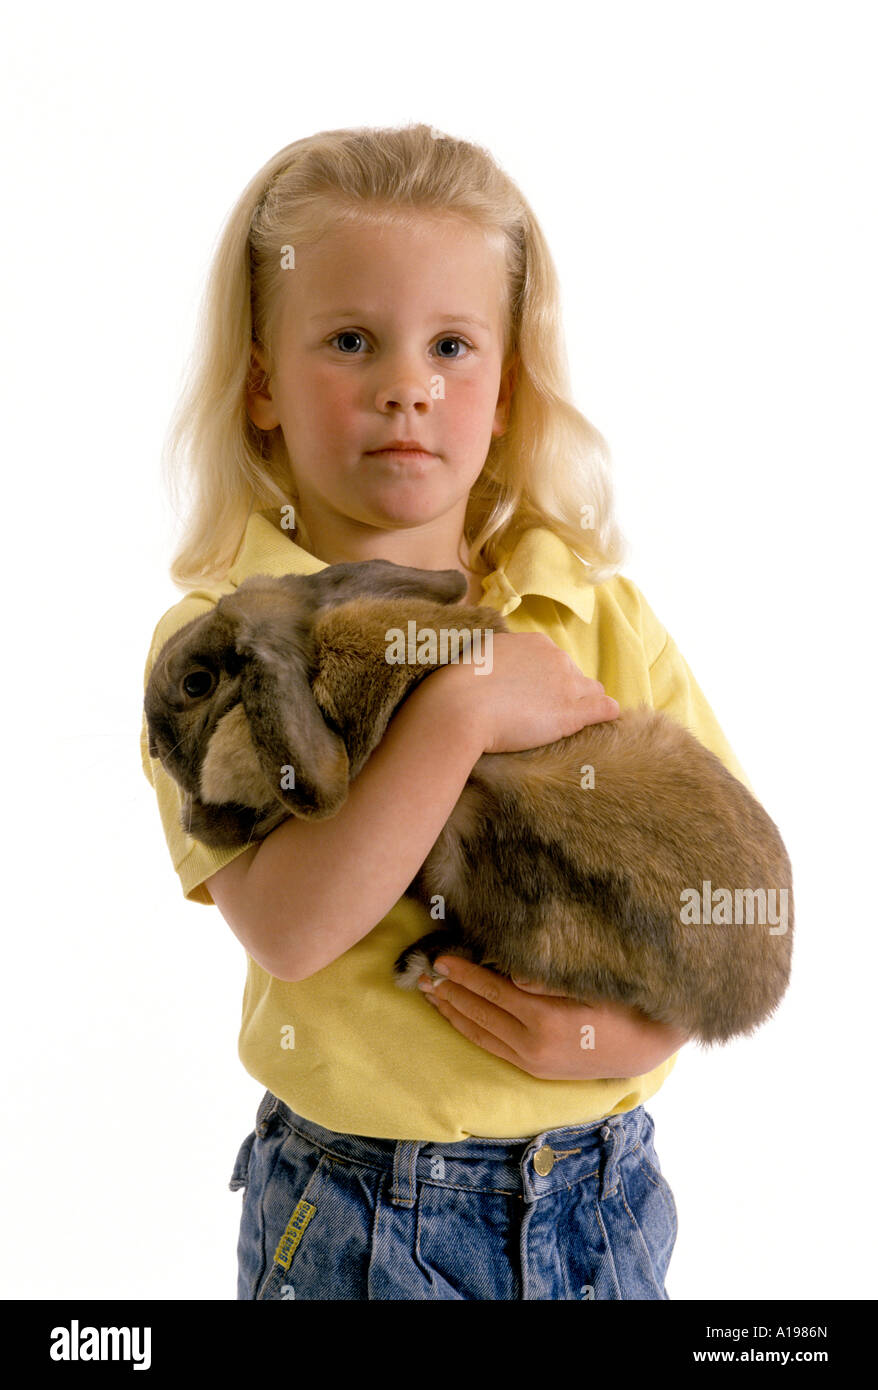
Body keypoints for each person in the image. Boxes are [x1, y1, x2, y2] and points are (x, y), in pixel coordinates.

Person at [140, 123, 753, 1300]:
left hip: (601, 1198)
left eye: (453, 345)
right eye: (350, 340)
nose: (405, 385)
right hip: (359, 1212)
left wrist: (620, 1039)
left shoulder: (589, 610)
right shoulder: (223, 644)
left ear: (507, 389)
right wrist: (461, 703)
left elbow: (711, 911)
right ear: (263, 382)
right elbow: (291, 927)